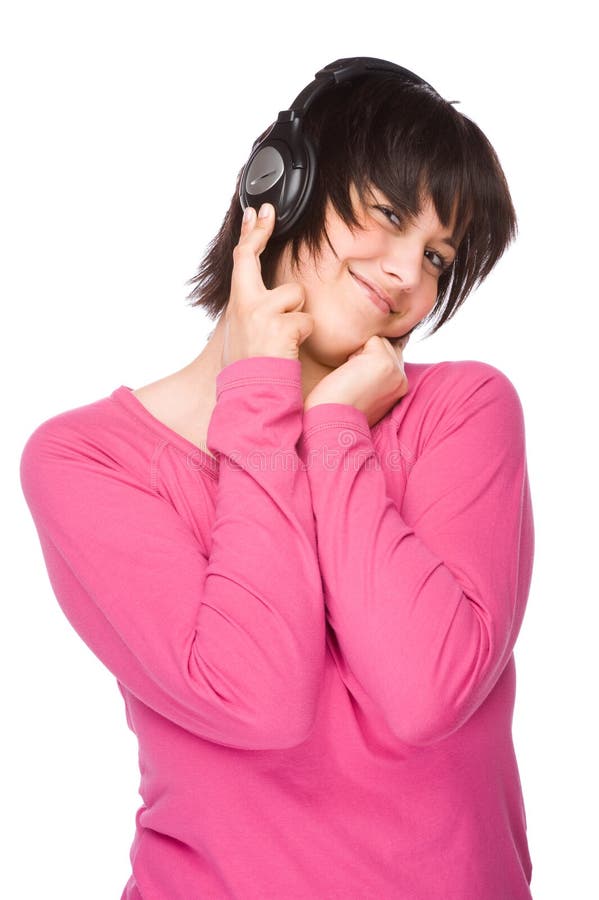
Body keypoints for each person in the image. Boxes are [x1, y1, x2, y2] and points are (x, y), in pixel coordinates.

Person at [19, 57, 534, 899]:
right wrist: (260, 402)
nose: (407, 276)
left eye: (437, 255)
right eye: (387, 214)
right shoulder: (87, 461)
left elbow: (424, 694)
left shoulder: (463, 411)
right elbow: (255, 700)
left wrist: (332, 430)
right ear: (278, 189)